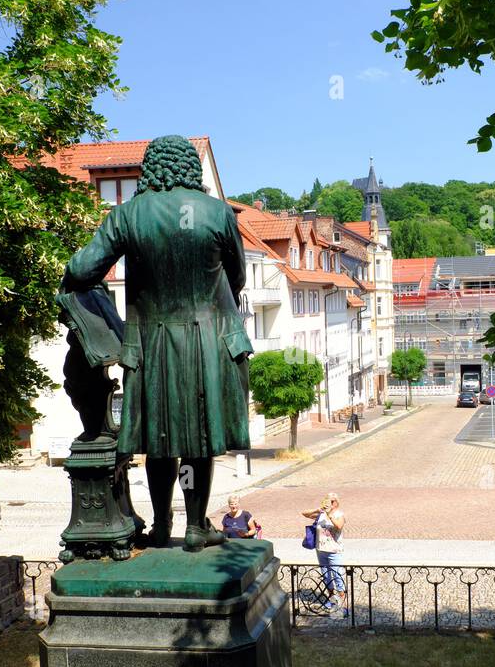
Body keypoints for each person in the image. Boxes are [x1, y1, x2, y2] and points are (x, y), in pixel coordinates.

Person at [60, 135, 253, 553]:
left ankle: (163, 524)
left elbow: (81, 269)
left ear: (151, 168)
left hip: (150, 344)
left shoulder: (128, 215)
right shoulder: (218, 213)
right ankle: (198, 525)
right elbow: (237, 278)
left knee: (158, 438)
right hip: (209, 341)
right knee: (200, 437)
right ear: (190, 167)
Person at [301, 492, 346, 618]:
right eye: (326, 501)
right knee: (326, 577)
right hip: (321, 550)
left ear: (336, 503)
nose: (328, 503)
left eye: (330, 501)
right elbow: (304, 513)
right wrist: (318, 509)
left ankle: (343, 605)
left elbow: (338, 526)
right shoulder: (321, 514)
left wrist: (329, 514)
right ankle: (332, 601)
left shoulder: (339, 514)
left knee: (337, 577)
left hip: (334, 551)